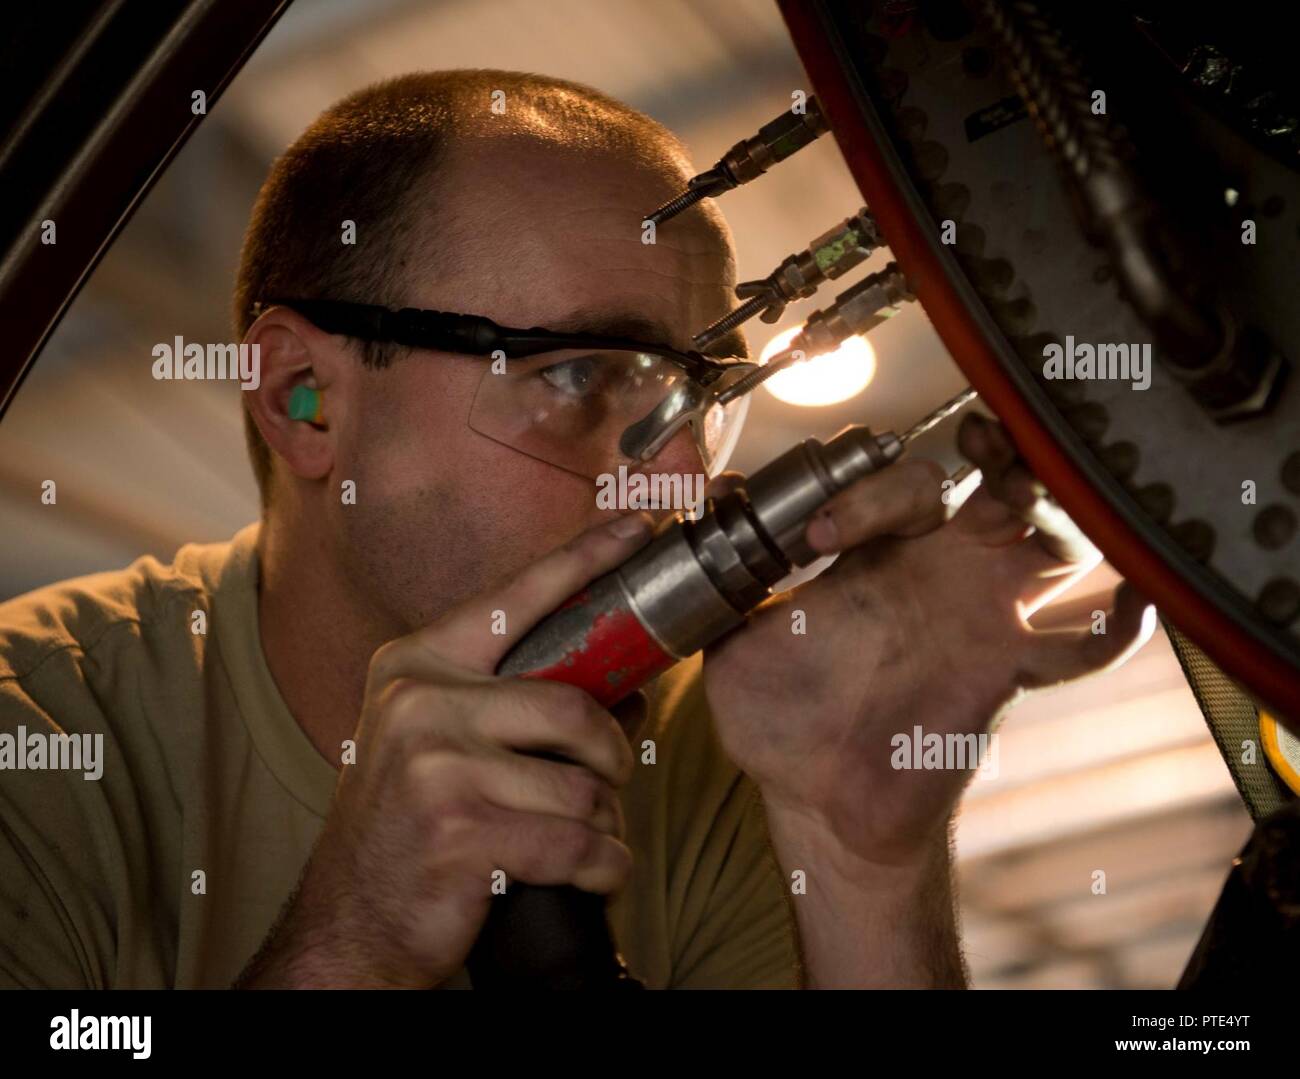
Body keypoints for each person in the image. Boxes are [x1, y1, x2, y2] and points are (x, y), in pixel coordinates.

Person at [0, 70, 1154, 989]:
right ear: (304, 394)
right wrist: (355, 944)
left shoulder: (729, 745)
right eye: (579, 375)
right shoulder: (38, 734)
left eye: (704, 399)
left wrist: (864, 859)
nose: (682, 479)